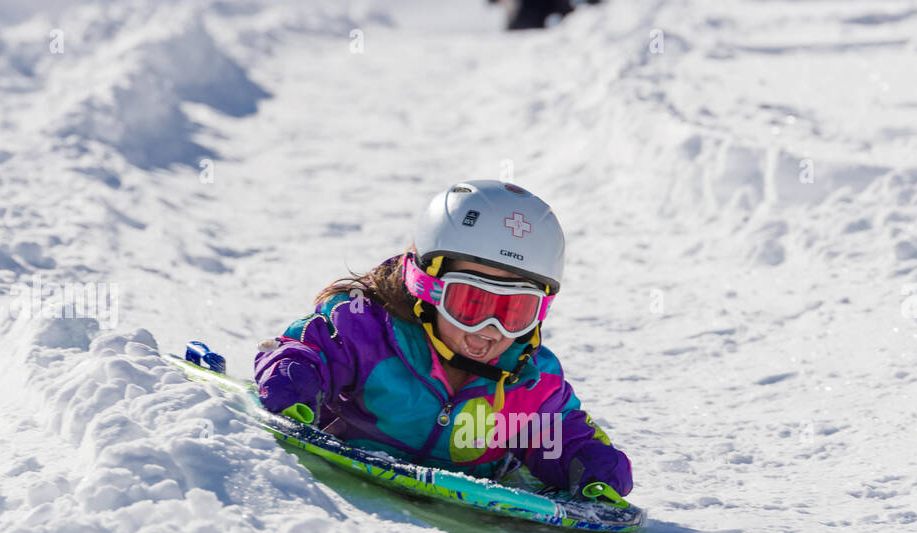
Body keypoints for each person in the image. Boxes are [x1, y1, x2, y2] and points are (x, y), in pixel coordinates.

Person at [253, 180, 633, 498]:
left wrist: (593, 468)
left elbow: (559, 432)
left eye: (515, 311)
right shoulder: (364, 331)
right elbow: (310, 350)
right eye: (471, 302)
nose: (490, 327)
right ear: (427, 289)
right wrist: (294, 377)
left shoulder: (530, 381)